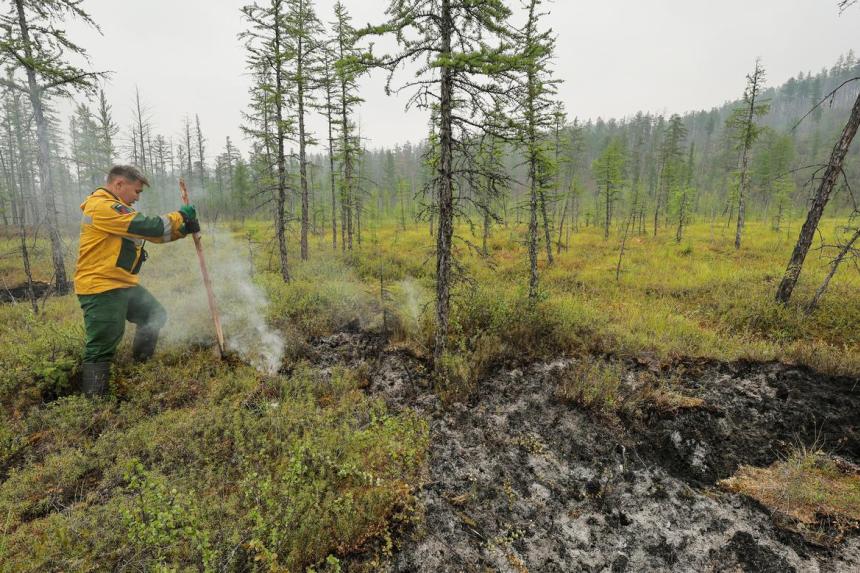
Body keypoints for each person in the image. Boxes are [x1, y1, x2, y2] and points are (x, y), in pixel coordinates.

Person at [74, 165, 200, 396]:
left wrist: (182, 229)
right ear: (119, 184)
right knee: (102, 345)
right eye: (137, 191)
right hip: (101, 286)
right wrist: (180, 215)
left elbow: (152, 234)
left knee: (154, 315)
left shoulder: (118, 210)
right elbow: (146, 225)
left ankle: (141, 368)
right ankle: (94, 403)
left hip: (121, 283)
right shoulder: (103, 206)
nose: (137, 198)